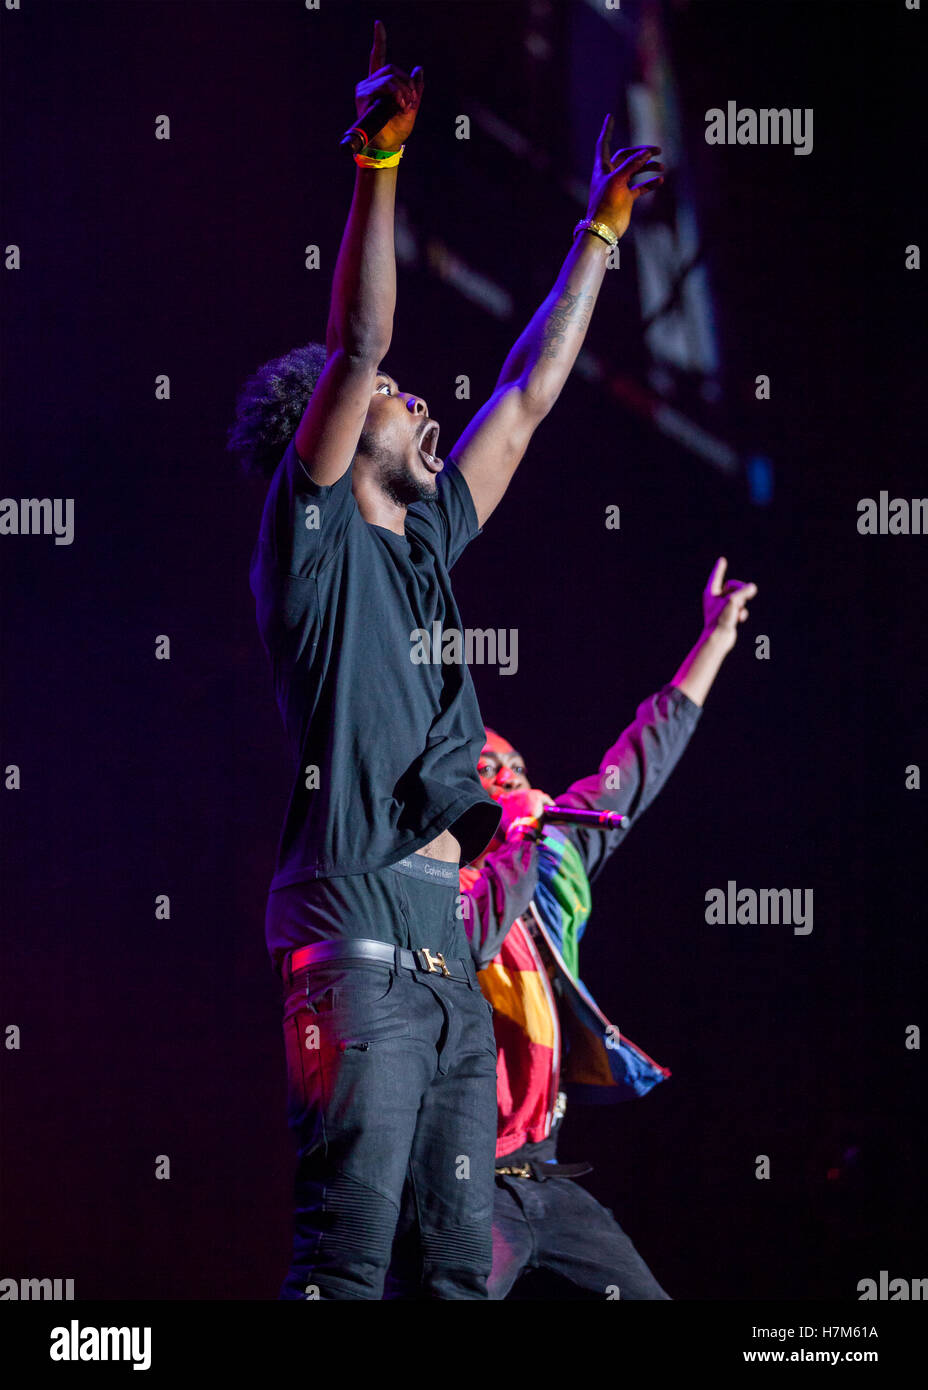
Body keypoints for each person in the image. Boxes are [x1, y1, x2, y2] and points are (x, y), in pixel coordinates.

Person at [227, 20, 663, 1300]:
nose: (426, 405)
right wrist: (380, 162)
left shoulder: (421, 544)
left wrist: (601, 235)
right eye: (404, 399)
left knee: (452, 1282)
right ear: (343, 431)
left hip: (447, 964)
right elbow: (359, 349)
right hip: (354, 952)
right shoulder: (310, 553)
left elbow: (524, 400)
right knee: (349, 1270)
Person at [460, 559, 757, 1299]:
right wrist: (521, 838)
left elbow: (642, 760)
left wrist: (715, 638)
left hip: (550, 1177)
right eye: (491, 772)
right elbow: (470, 940)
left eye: (519, 768)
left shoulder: (552, 874)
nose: (516, 779)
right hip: (464, 1182)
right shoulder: (434, 890)